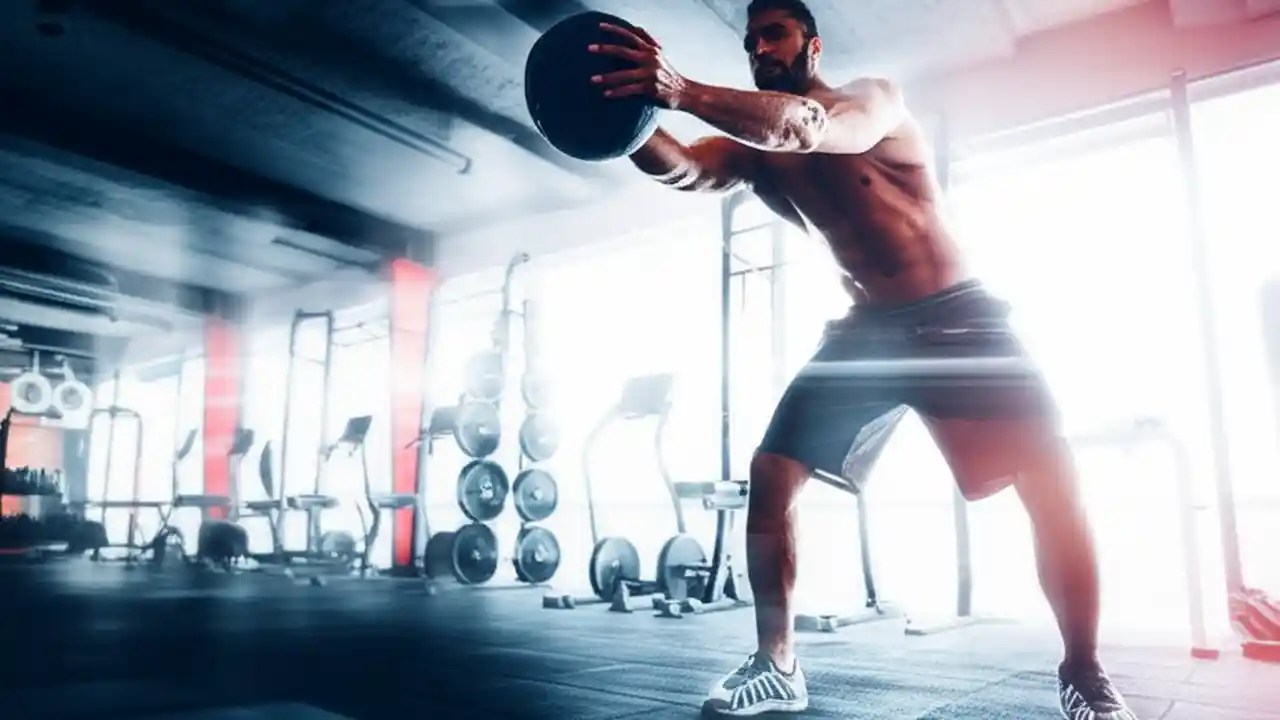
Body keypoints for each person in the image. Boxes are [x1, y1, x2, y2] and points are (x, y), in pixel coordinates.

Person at [588, 1, 1138, 718]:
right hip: (868, 329)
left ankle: (1085, 673)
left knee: (1051, 478)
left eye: (774, 34)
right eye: (751, 40)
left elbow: (809, 127)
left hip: (957, 315)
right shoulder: (755, 151)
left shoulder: (870, 102)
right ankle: (776, 663)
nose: (760, 47)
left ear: (811, 45)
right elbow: (689, 170)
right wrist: (615, 123)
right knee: (770, 472)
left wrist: (681, 91)